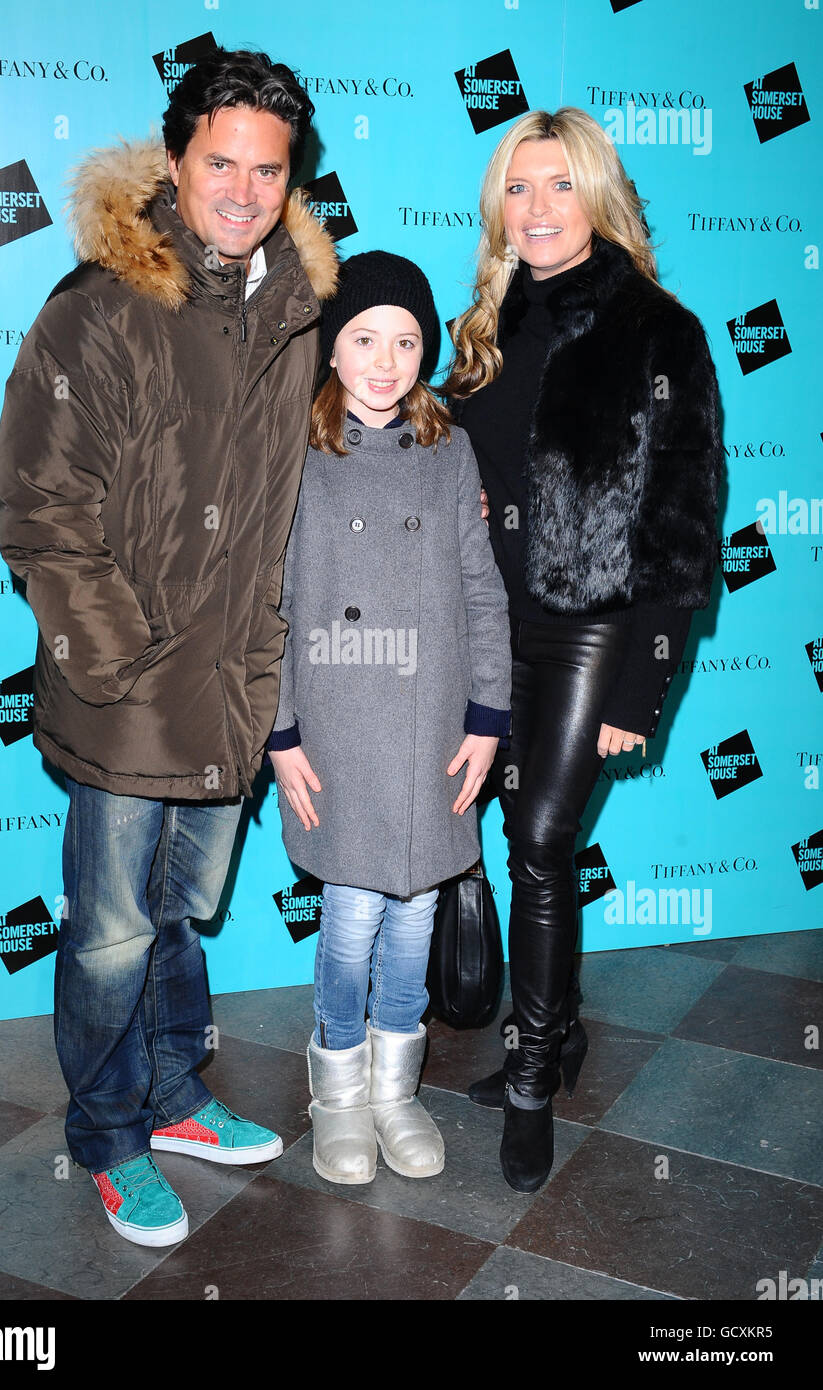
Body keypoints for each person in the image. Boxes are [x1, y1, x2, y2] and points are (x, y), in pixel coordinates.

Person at [0, 49, 338, 1246]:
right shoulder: (101, 305)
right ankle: (107, 1136)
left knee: (182, 915)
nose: (242, 191)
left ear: (292, 181)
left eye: (267, 169)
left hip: (235, 679)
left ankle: (174, 1092)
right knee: (110, 931)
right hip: (131, 688)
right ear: (176, 161)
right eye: (219, 162)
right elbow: (42, 506)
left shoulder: (295, 312)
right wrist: (118, 660)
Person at [443, 107, 723, 1193]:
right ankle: (554, 1036)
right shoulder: (483, 325)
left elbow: (683, 517)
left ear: (597, 196)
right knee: (508, 831)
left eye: (559, 185)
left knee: (543, 842)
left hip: (586, 628)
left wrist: (644, 679)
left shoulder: (659, 329)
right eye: (518, 188)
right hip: (484, 623)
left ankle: (527, 1080)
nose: (538, 208)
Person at [266, 252, 512, 1184]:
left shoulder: (449, 450)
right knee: (351, 917)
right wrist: (280, 735)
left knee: (414, 919)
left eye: (406, 341)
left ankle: (395, 1092)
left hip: (436, 731)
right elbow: (268, 606)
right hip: (334, 728)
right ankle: (336, 1094)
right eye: (365, 338)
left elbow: (481, 589)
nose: (385, 360)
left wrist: (487, 716)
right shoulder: (296, 453)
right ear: (332, 350)